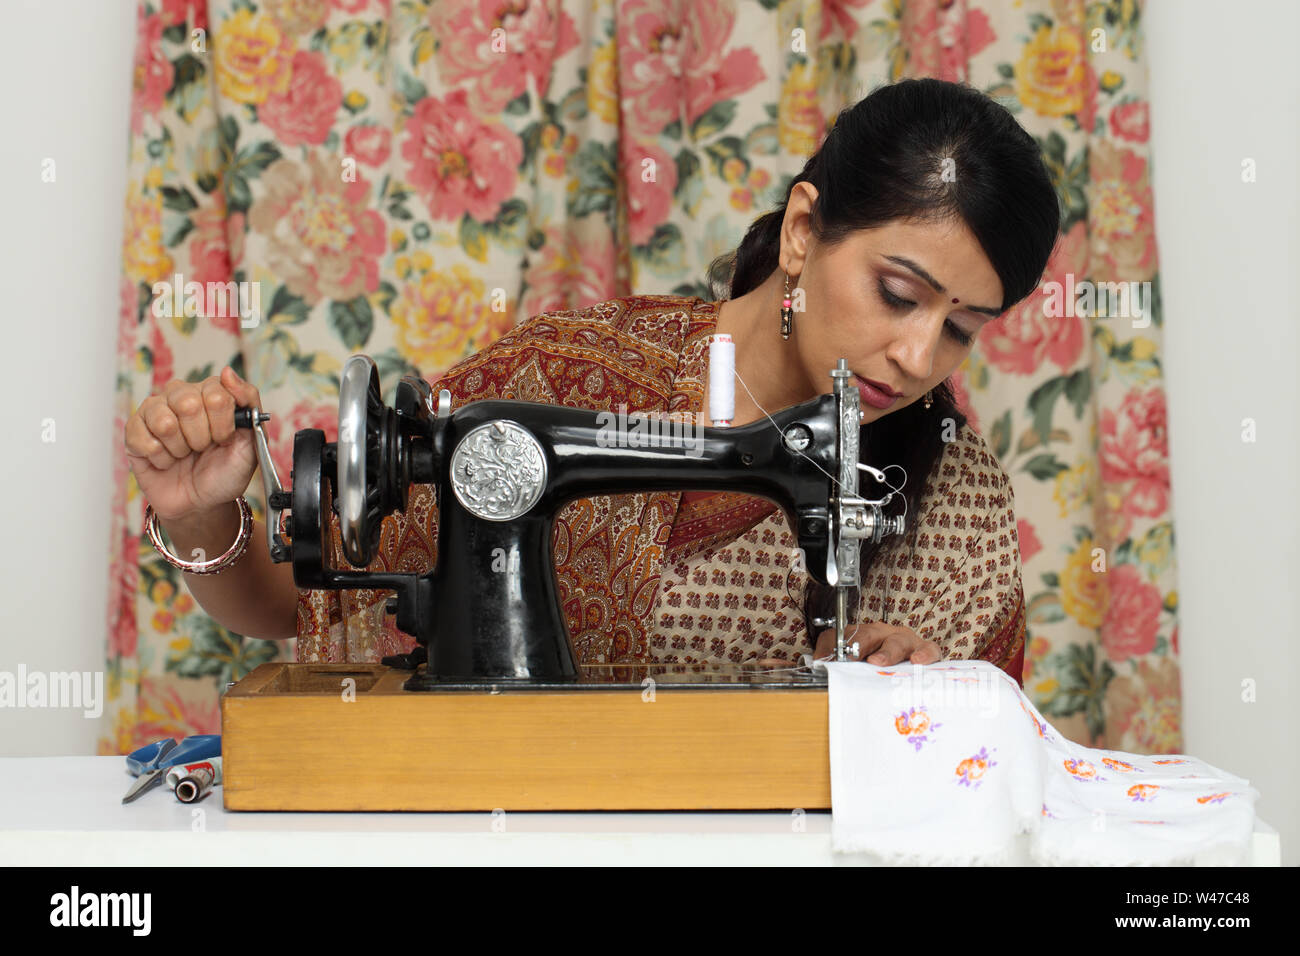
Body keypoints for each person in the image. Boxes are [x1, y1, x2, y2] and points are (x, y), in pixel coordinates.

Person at [123, 78, 1059, 683]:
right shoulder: (569, 377)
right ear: (805, 233)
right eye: (899, 294)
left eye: (961, 331)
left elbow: (996, 790)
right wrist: (200, 512)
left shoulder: (952, 492)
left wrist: (938, 702)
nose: (918, 356)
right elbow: (295, 607)